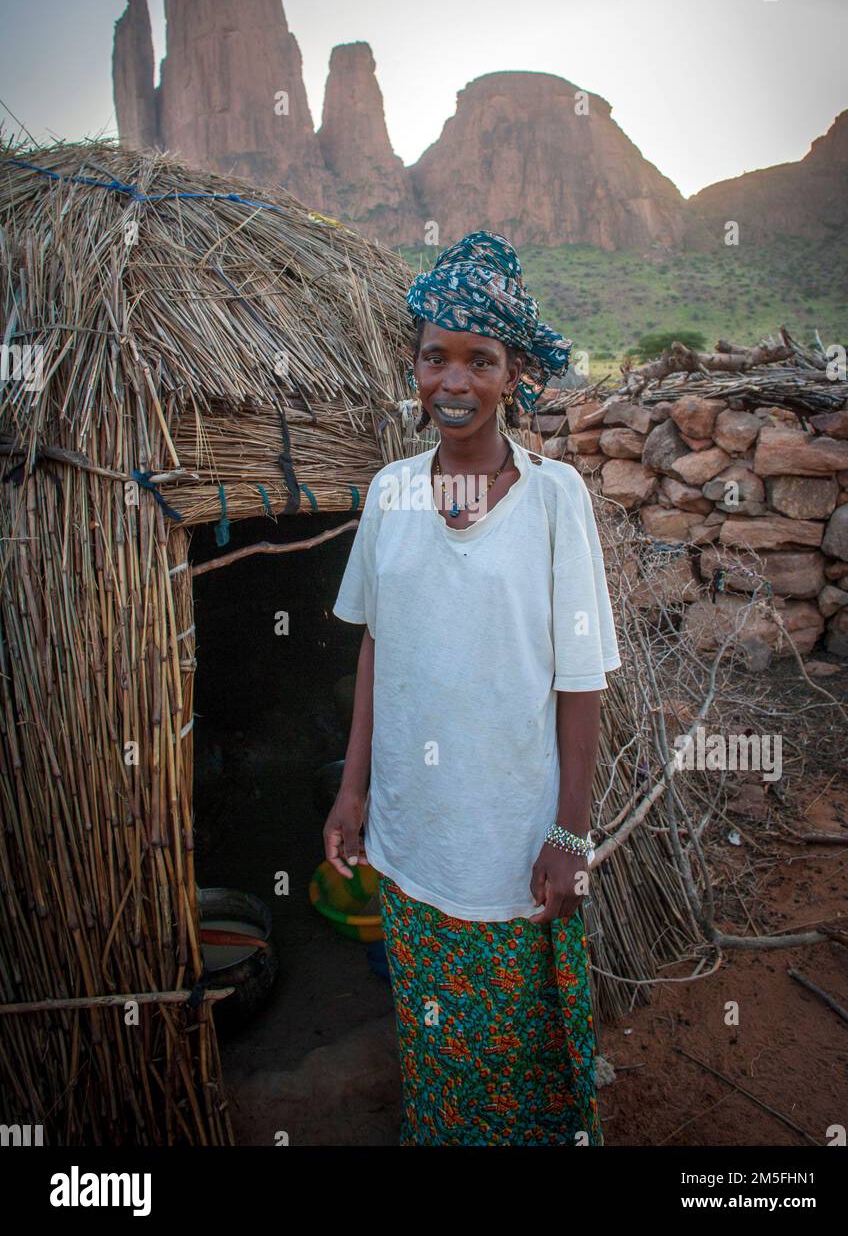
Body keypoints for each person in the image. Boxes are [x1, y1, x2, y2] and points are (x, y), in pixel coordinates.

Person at [327, 230, 621, 1146]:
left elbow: (579, 681)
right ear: (414, 369)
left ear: (513, 373)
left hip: (511, 837)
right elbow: (380, 646)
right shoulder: (389, 495)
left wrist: (570, 832)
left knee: (523, 1048)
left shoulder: (554, 499)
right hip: (416, 836)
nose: (453, 381)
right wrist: (352, 790)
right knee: (435, 1039)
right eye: (434, 357)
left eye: (479, 360)